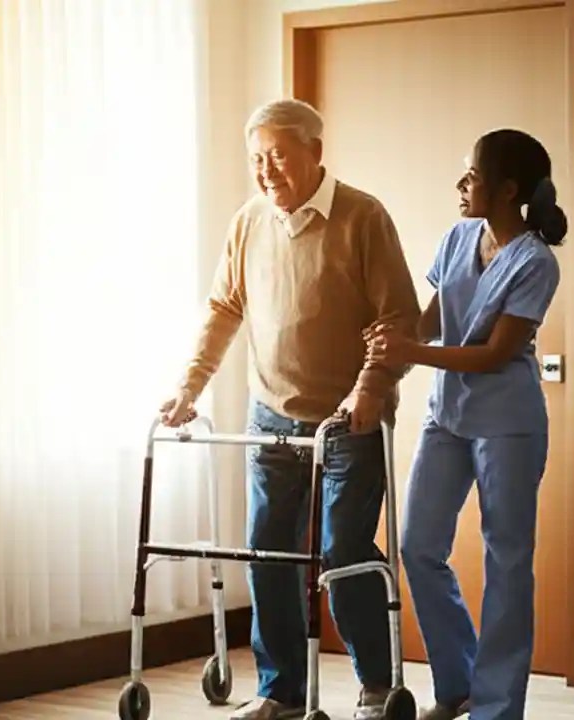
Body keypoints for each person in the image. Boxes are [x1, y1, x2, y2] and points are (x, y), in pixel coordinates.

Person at [159, 98, 421, 720]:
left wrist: (371, 386)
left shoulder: (363, 216)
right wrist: (190, 386)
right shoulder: (249, 221)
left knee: (343, 550)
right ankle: (280, 691)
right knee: (268, 551)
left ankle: (377, 685)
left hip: (347, 421)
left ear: (315, 152)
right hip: (270, 417)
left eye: (278, 156)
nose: (266, 171)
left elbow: (398, 316)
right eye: (256, 158)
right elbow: (224, 309)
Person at [364, 129, 565, 720]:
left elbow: (495, 354)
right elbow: (430, 322)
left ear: (507, 190)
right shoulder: (456, 238)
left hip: (508, 424)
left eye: (472, 176)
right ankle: (458, 684)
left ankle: (496, 708)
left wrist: (411, 351)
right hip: (447, 417)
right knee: (417, 545)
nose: (460, 184)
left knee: (507, 561)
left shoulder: (536, 262)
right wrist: (391, 337)